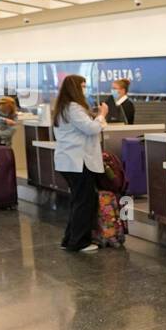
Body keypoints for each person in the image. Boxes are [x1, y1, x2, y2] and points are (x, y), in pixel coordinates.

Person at [52, 74, 108, 254]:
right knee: (84, 201)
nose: (85, 89)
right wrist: (101, 116)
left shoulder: (63, 107)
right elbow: (91, 128)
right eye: (83, 86)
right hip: (77, 162)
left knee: (78, 201)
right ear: (76, 88)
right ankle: (79, 242)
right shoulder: (74, 107)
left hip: (68, 161)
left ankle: (70, 239)